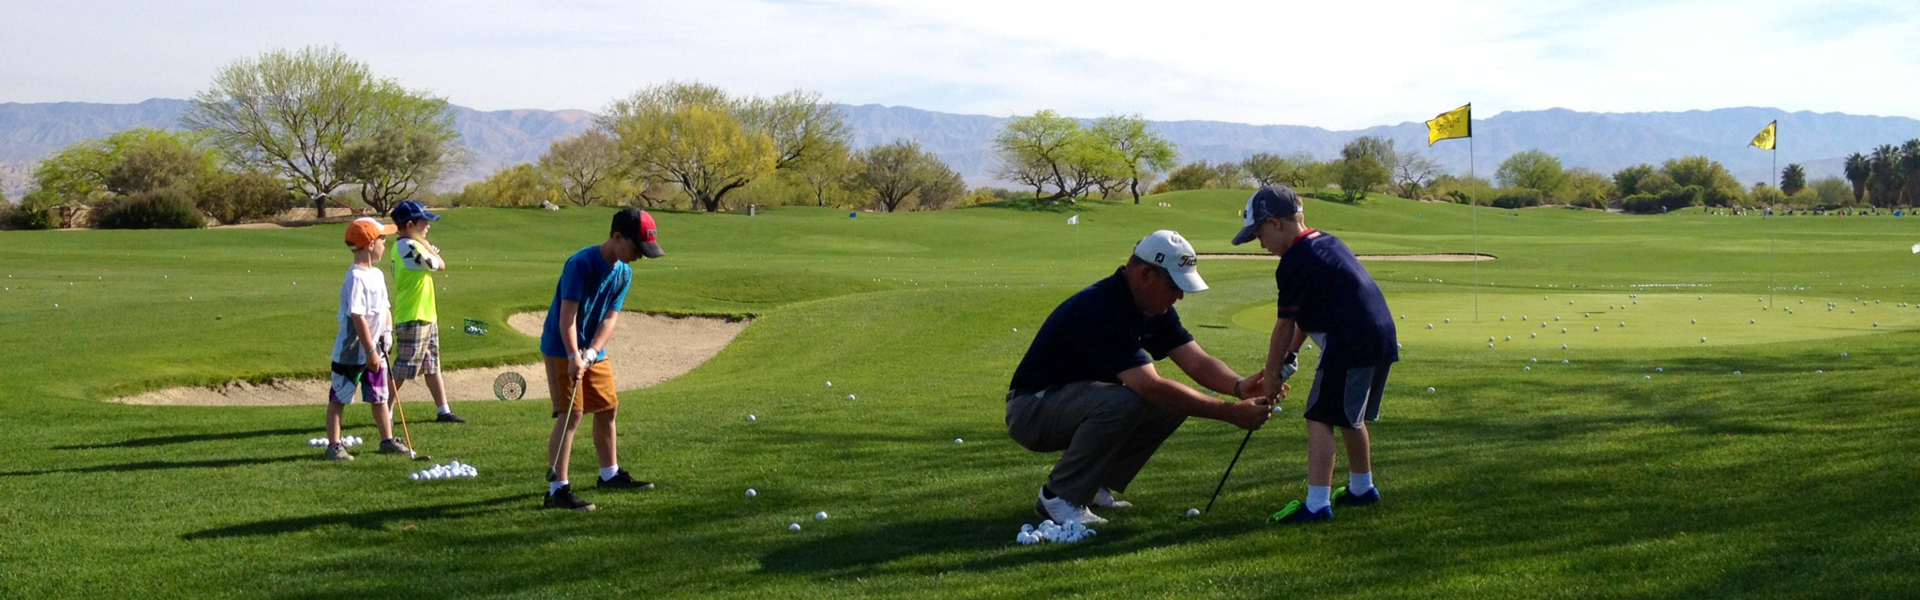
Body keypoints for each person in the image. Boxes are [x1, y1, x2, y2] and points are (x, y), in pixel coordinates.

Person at [1006, 230, 1275, 526]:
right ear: (1146, 274)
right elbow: (1149, 387)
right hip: (1032, 409)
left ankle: (1093, 486)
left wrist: (1238, 387)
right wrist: (1230, 413)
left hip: (1069, 402)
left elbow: (1196, 360)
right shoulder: (1101, 307)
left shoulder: (1150, 307)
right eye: (1174, 285)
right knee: (1129, 399)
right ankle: (1060, 498)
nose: (1180, 296)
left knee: (1172, 402)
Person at [1231, 185, 1398, 524]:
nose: (1260, 244)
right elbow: (1308, 315)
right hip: (1380, 337)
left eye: (1259, 234)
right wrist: (1291, 355)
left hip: (1350, 340)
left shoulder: (1294, 261)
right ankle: (1362, 489)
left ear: (1275, 224)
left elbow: (1284, 324)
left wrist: (1272, 373)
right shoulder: (1326, 243)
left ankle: (1317, 505)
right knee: (1349, 416)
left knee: (1319, 418)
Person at [540, 208, 666, 511]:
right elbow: (567, 315)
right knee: (572, 415)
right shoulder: (581, 264)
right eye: (637, 249)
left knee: (608, 407)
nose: (639, 256)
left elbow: (610, 317)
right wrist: (573, 355)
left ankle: (609, 474)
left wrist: (593, 351)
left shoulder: (624, 272)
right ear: (617, 237)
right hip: (561, 346)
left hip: (593, 350)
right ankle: (557, 490)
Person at [324, 218, 413, 461]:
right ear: (371, 244)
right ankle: (334, 445)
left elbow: (384, 308)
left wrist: (386, 335)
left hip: (377, 348)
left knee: (379, 396)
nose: (386, 243)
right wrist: (370, 350)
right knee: (340, 397)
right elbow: (357, 316)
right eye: (382, 239)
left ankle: (386, 439)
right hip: (352, 352)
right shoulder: (356, 277)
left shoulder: (377, 274)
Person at [387, 200, 465, 423]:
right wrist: (428, 247)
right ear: (410, 225)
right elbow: (440, 265)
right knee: (404, 367)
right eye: (424, 223)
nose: (428, 226)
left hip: (426, 315)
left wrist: (425, 244)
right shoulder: (406, 247)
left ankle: (443, 410)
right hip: (413, 315)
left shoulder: (412, 244)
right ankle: (386, 411)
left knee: (432, 365)